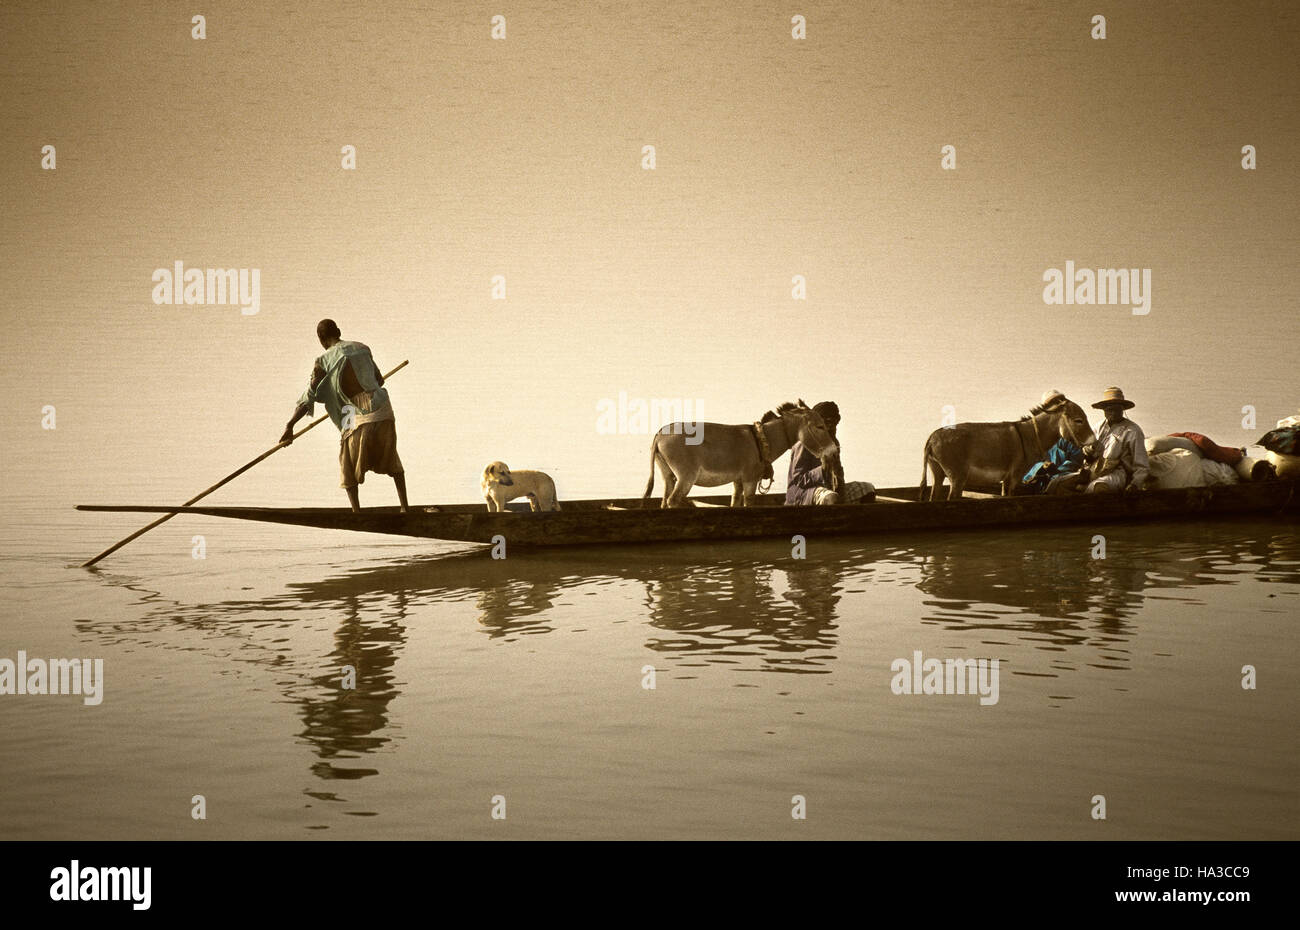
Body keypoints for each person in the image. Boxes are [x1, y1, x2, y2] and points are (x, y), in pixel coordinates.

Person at [280, 319, 408, 513]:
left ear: (321, 339)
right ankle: (404, 508)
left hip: (352, 412)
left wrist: (290, 425)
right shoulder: (363, 348)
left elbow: (308, 398)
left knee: (346, 460)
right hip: (382, 407)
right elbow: (379, 380)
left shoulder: (322, 361)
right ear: (338, 331)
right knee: (391, 457)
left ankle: (356, 513)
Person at [785, 401, 876, 505]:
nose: (831, 427)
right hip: (802, 495)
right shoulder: (803, 443)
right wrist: (822, 470)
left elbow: (838, 473)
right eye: (827, 423)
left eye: (834, 423)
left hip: (828, 489)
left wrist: (841, 491)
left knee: (868, 489)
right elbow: (798, 479)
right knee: (832, 498)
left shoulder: (833, 443)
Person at [1085, 386, 1148, 493]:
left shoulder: (1133, 431)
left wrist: (1135, 483)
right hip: (1094, 469)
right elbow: (1086, 449)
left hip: (1117, 473)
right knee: (1062, 483)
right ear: (1104, 410)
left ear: (1123, 409)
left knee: (1098, 488)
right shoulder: (1098, 427)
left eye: (1117, 409)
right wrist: (1088, 450)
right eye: (1109, 410)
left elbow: (1141, 463)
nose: (1113, 413)